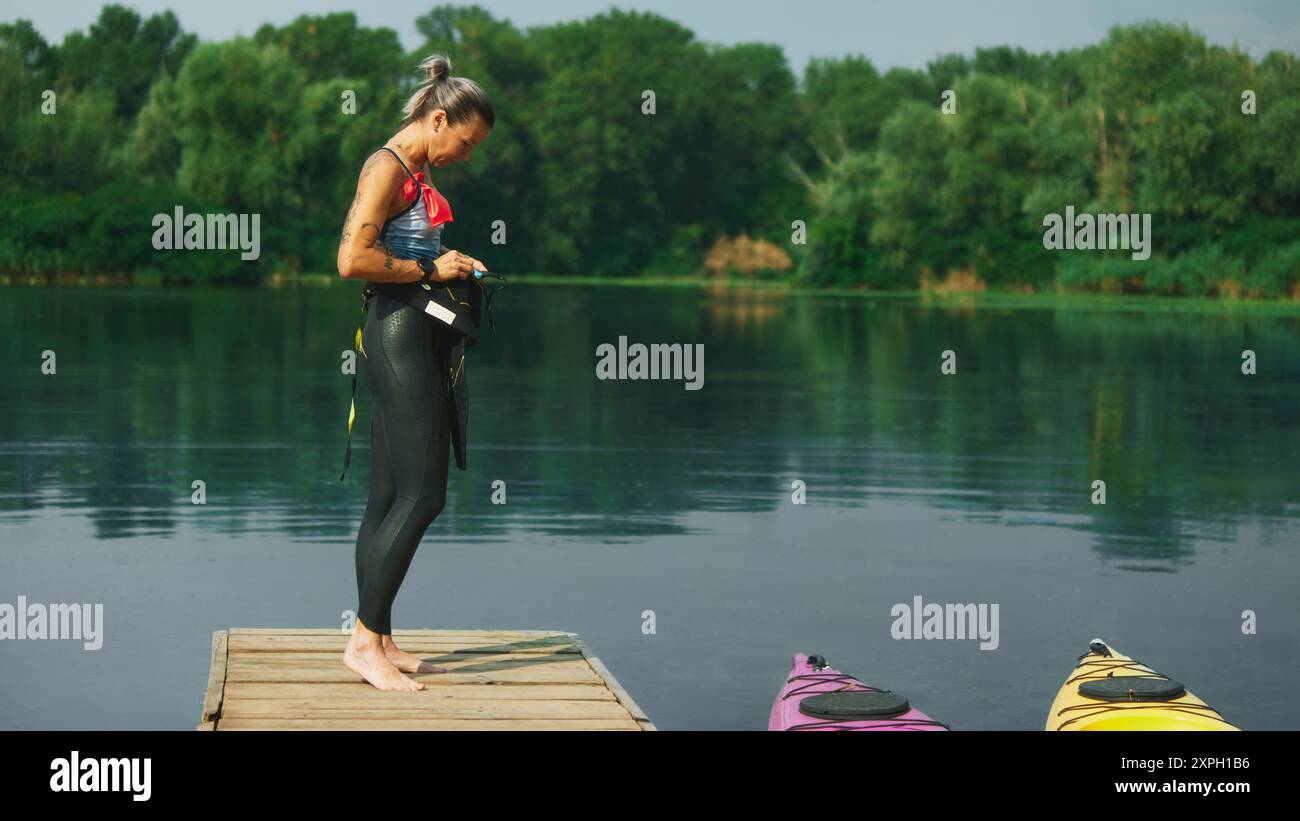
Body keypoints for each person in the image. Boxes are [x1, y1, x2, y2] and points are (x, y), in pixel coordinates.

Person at [336, 54, 494, 691]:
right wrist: (433, 272)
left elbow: (408, 249)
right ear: (437, 119)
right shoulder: (387, 167)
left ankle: (379, 636)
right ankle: (363, 641)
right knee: (425, 494)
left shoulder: (415, 170)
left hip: (414, 329)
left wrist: (449, 262)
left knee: (386, 495)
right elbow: (353, 259)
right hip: (396, 335)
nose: (468, 154)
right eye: (466, 140)